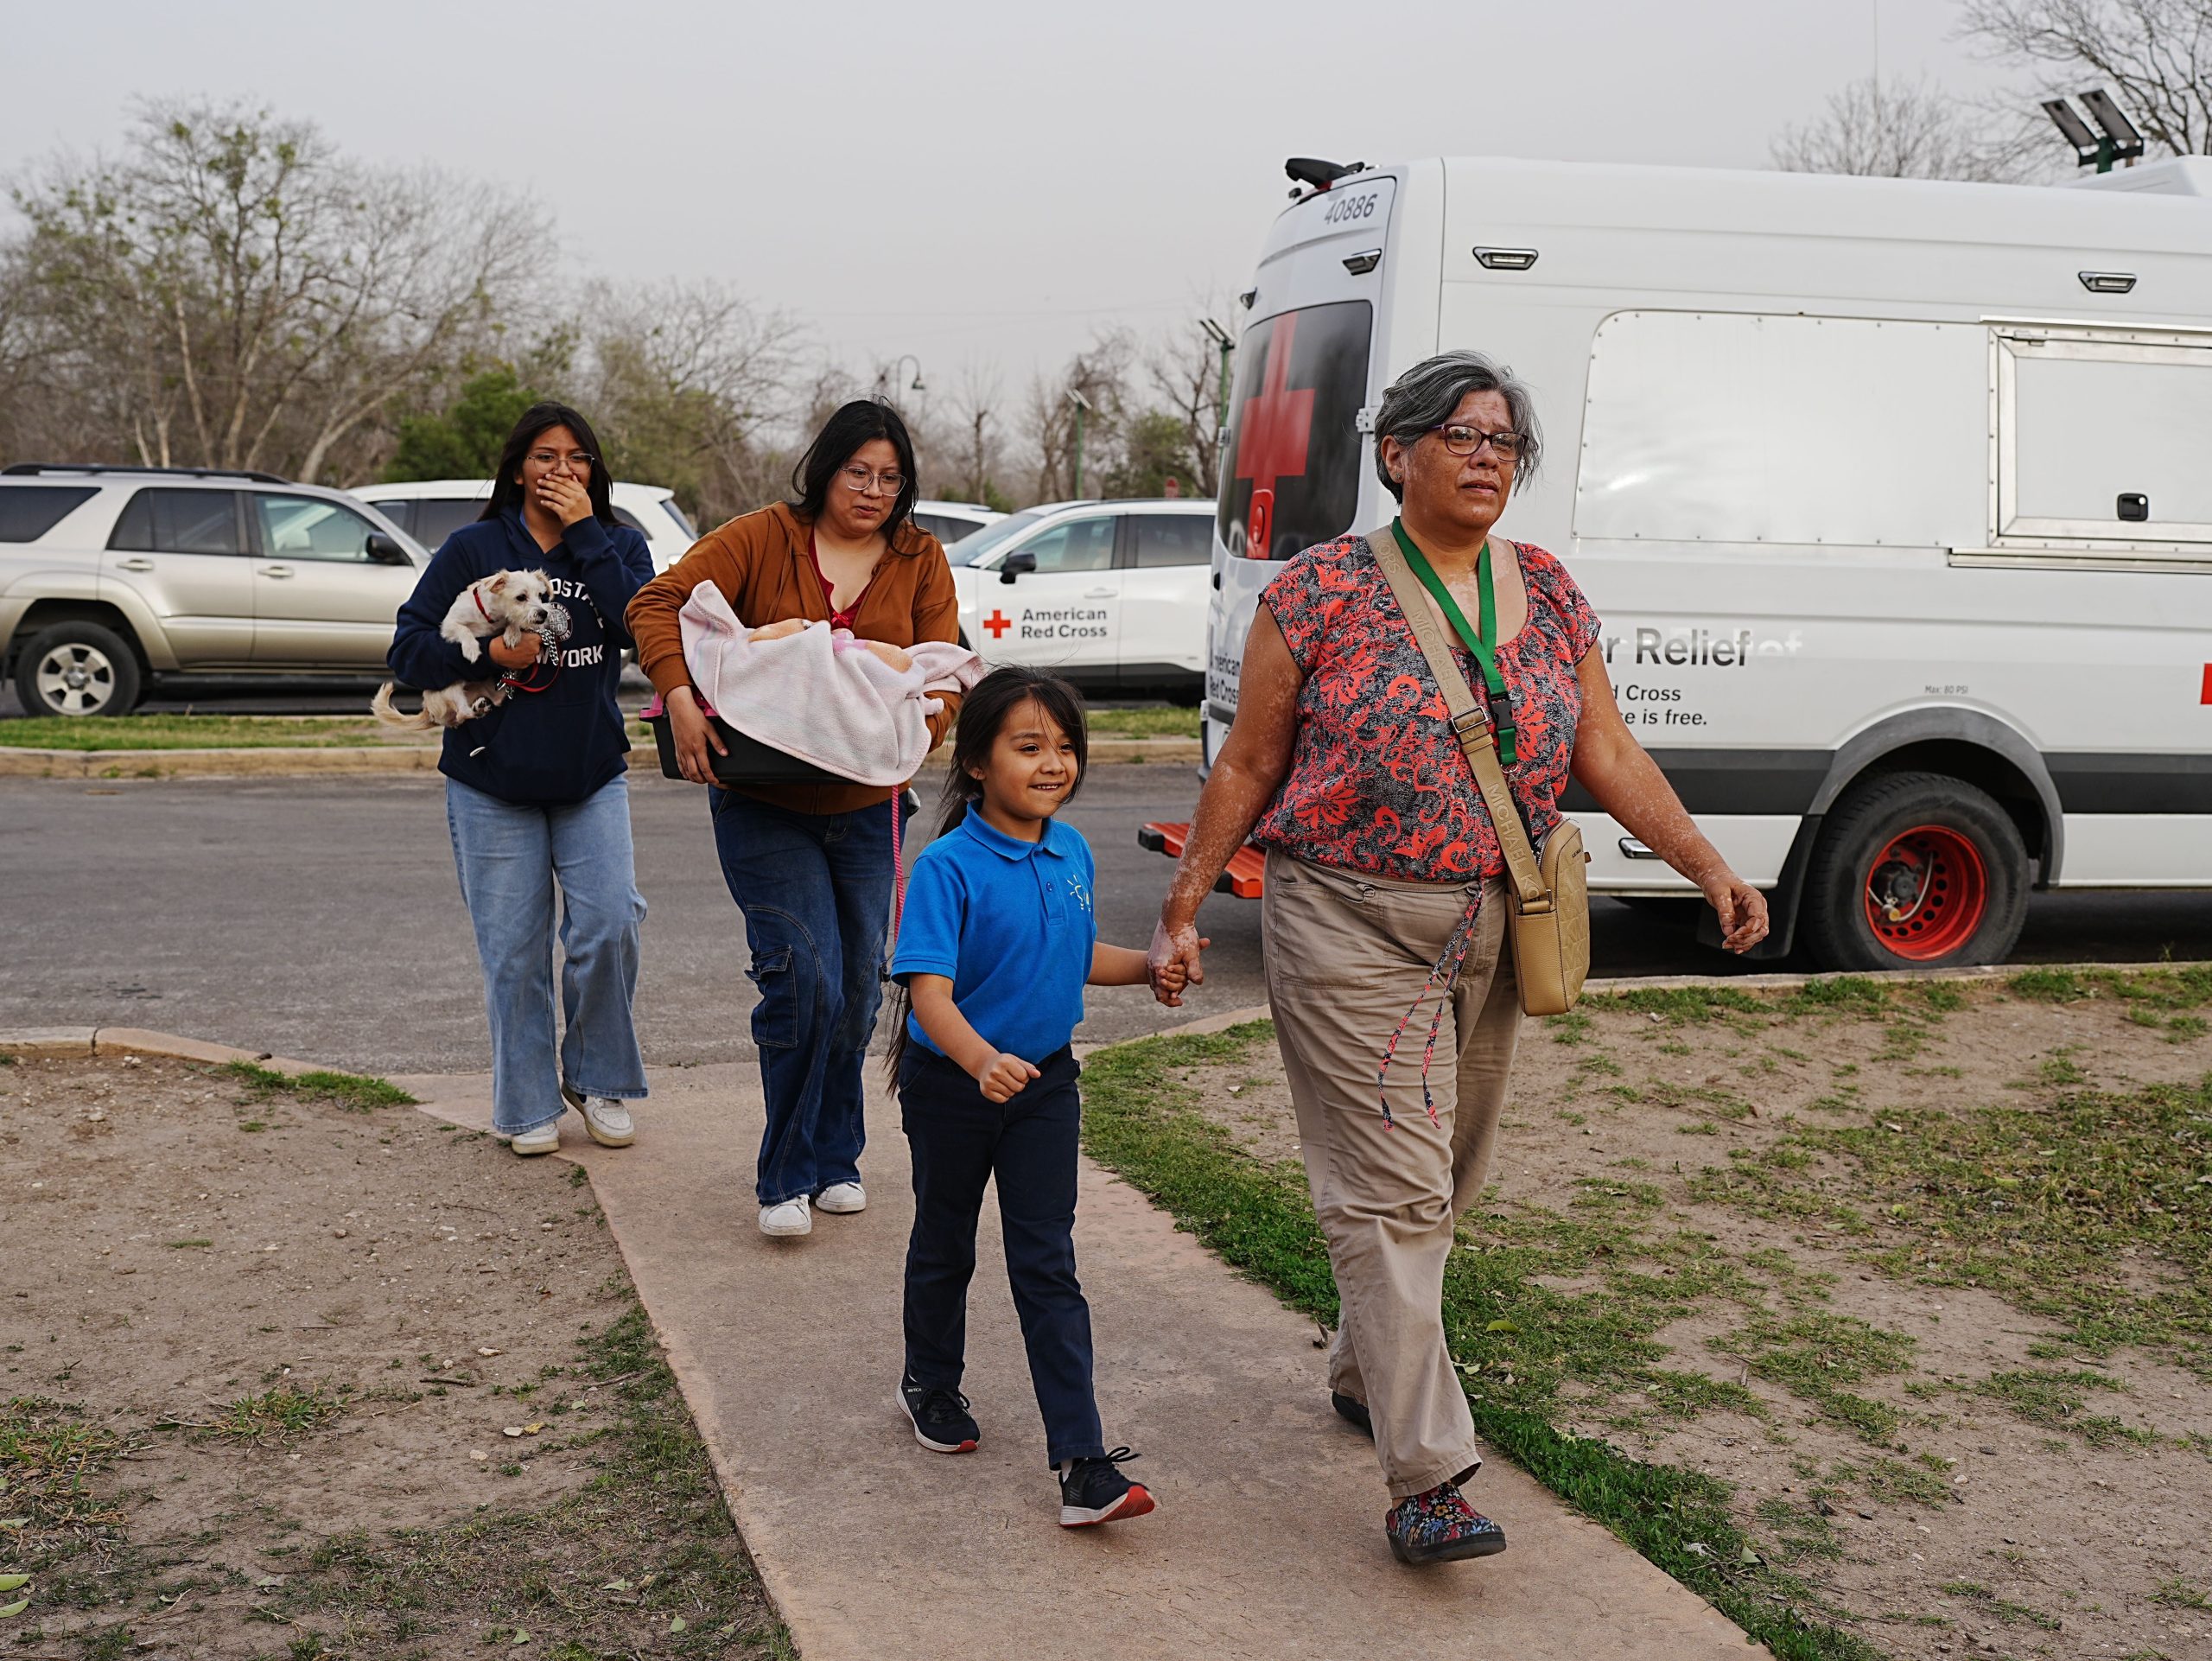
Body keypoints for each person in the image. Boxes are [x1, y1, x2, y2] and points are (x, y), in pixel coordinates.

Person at [1147, 349, 1769, 1565]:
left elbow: (1608, 749)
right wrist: (1184, 903)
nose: (1488, 456)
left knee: (1451, 1175)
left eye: (1504, 441)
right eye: (1461, 435)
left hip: (1499, 918)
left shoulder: (1544, 587)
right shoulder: (1318, 590)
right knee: (1392, 1190)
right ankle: (1428, 1474)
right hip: (1344, 916)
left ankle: (1360, 1363)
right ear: (1397, 454)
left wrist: (1705, 862)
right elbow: (1249, 764)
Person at [626, 399, 961, 1238]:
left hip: (867, 806)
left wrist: (921, 730)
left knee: (854, 988)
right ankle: (784, 1174)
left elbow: (942, 669)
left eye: (890, 477)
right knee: (802, 977)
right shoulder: (761, 536)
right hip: (762, 800)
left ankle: (836, 1155)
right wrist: (678, 697)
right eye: (859, 471)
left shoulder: (921, 559)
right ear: (826, 467)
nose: (873, 490)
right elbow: (656, 604)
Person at [885, 665, 1176, 1528]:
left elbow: (1078, 953)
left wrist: (1152, 967)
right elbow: (928, 994)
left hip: (1046, 1085)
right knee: (945, 1242)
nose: (1053, 762)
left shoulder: (1070, 848)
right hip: (953, 1088)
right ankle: (928, 1381)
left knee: (1046, 1261)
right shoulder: (946, 866)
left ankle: (1081, 1462)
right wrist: (979, 1060)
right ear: (976, 761)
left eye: (1063, 747)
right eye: (1028, 746)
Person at [388, 402, 656, 1156]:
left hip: (590, 773)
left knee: (610, 923)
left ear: (594, 472)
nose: (561, 470)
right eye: (545, 456)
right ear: (516, 469)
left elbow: (639, 627)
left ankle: (599, 1076)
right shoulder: (475, 548)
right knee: (513, 949)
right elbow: (408, 649)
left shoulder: (619, 545)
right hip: (489, 778)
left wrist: (585, 536)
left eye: (576, 458)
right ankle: (528, 1100)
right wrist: (490, 660)